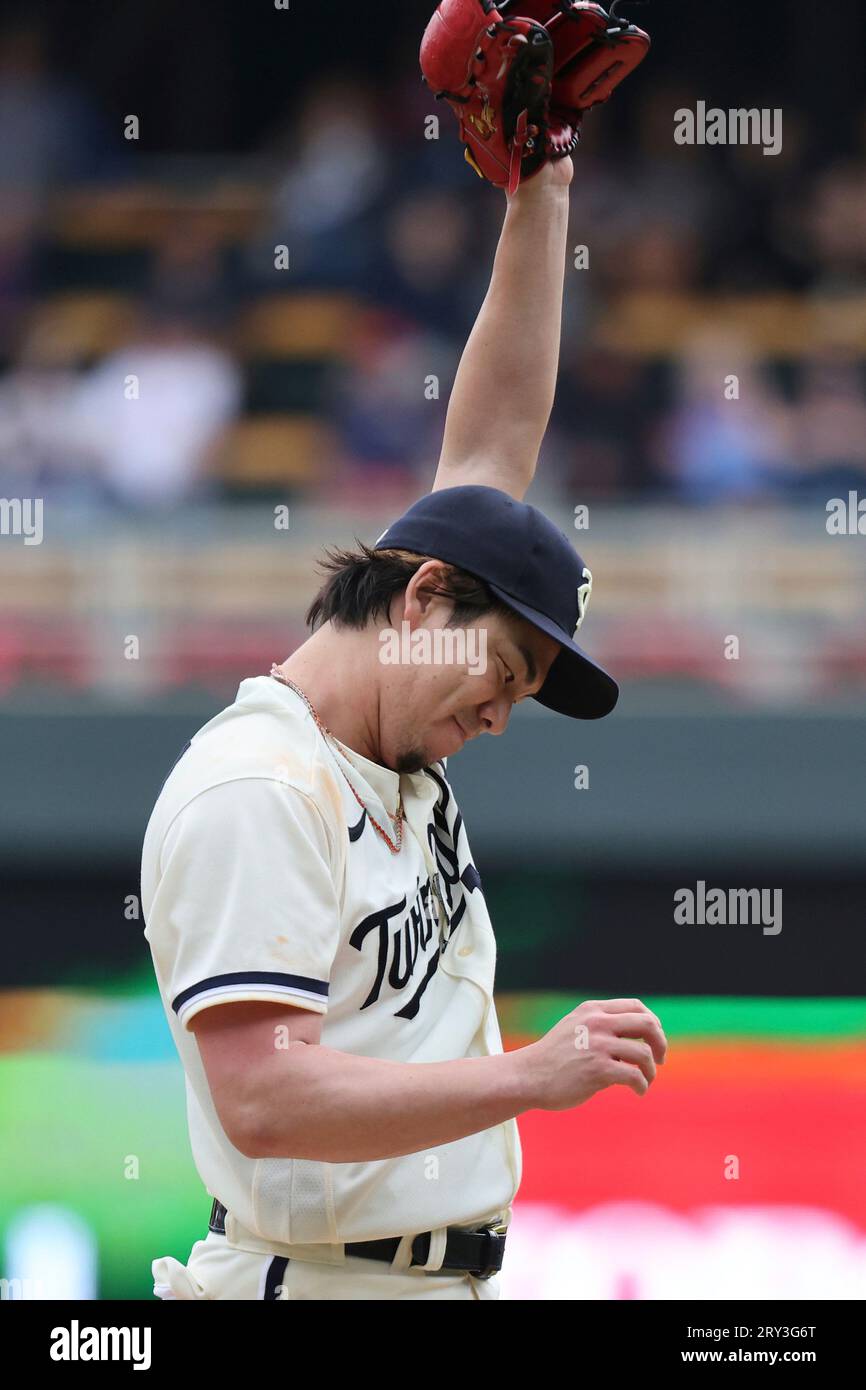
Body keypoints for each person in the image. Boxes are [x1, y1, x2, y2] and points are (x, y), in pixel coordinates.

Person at [141, 152, 667, 1302]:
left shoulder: (390, 731)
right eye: (506, 673)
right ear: (422, 599)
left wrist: (543, 191)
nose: (501, 712)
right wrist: (529, 1075)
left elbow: (491, 445)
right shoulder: (263, 788)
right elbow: (266, 1098)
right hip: (322, 1281)